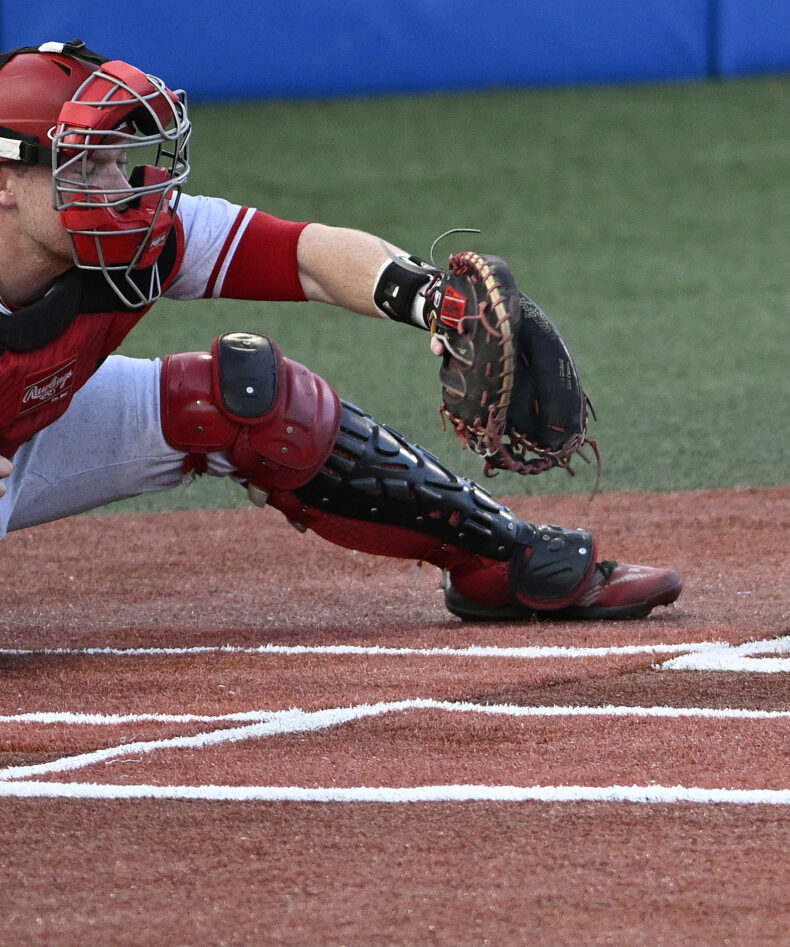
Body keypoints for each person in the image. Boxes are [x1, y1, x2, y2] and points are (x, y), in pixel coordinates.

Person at [0, 40, 681, 621]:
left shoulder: (142, 238)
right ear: (5, 179)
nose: (120, 185)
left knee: (243, 396)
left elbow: (307, 255)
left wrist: (435, 303)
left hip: (23, 435)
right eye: (85, 165)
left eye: (118, 157)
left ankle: (500, 558)